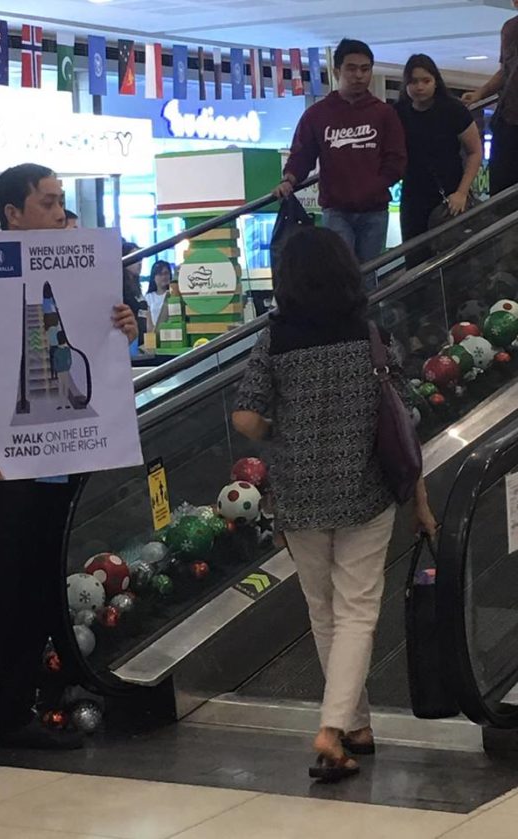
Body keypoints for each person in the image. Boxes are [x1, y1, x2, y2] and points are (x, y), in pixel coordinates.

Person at [0, 163, 137, 770]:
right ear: (12, 214)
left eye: (60, 203)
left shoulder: (74, 280)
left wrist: (122, 325)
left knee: (34, 596)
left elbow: (82, 356)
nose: (59, 213)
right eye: (47, 203)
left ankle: (14, 714)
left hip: (51, 464)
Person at [232, 226, 436, 782]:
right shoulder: (369, 336)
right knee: (357, 612)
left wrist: (287, 434)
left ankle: (356, 727)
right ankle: (330, 729)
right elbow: (403, 424)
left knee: (324, 614)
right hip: (365, 492)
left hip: (299, 494)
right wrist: (420, 501)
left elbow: (246, 418)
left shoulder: (274, 340)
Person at [275, 39, 406, 277]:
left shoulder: (384, 113)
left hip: (375, 209)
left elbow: (396, 159)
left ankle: (366, 315)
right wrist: (289, 179)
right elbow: (302, 154)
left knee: (368, 275)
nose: (359, 75)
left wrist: (375, 185)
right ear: (337, 71)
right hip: (336, 209)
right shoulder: (317, 114)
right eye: (352, 68)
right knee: (341, 273)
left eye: (365, 69)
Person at [394, 55, 483, 241]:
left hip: (450, 194)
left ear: (436, 82)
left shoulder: (453, 110)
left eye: (426, 81)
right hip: (413, 195)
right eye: (413, 81)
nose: (419, 87)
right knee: (414, 254)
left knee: (452, 254)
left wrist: (461, 192)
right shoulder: (399, 112)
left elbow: (475, 151)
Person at [463, 1, 518, 196]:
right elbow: (505, 70)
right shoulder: (511, 29)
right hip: (508, 119)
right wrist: (480, 93)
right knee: (502, 188)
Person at [122, 240, 148, 352]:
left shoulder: (138, 289)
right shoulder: (121, 291)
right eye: (135, 259)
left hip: (143, 347)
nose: (139, 263)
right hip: (130, 347)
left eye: (140, 259)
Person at [145, 260, 173, 328]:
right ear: (154, 277)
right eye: (160, 274)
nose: (163, 277)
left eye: (166, 273)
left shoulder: (173, 295)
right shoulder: (148, 297)